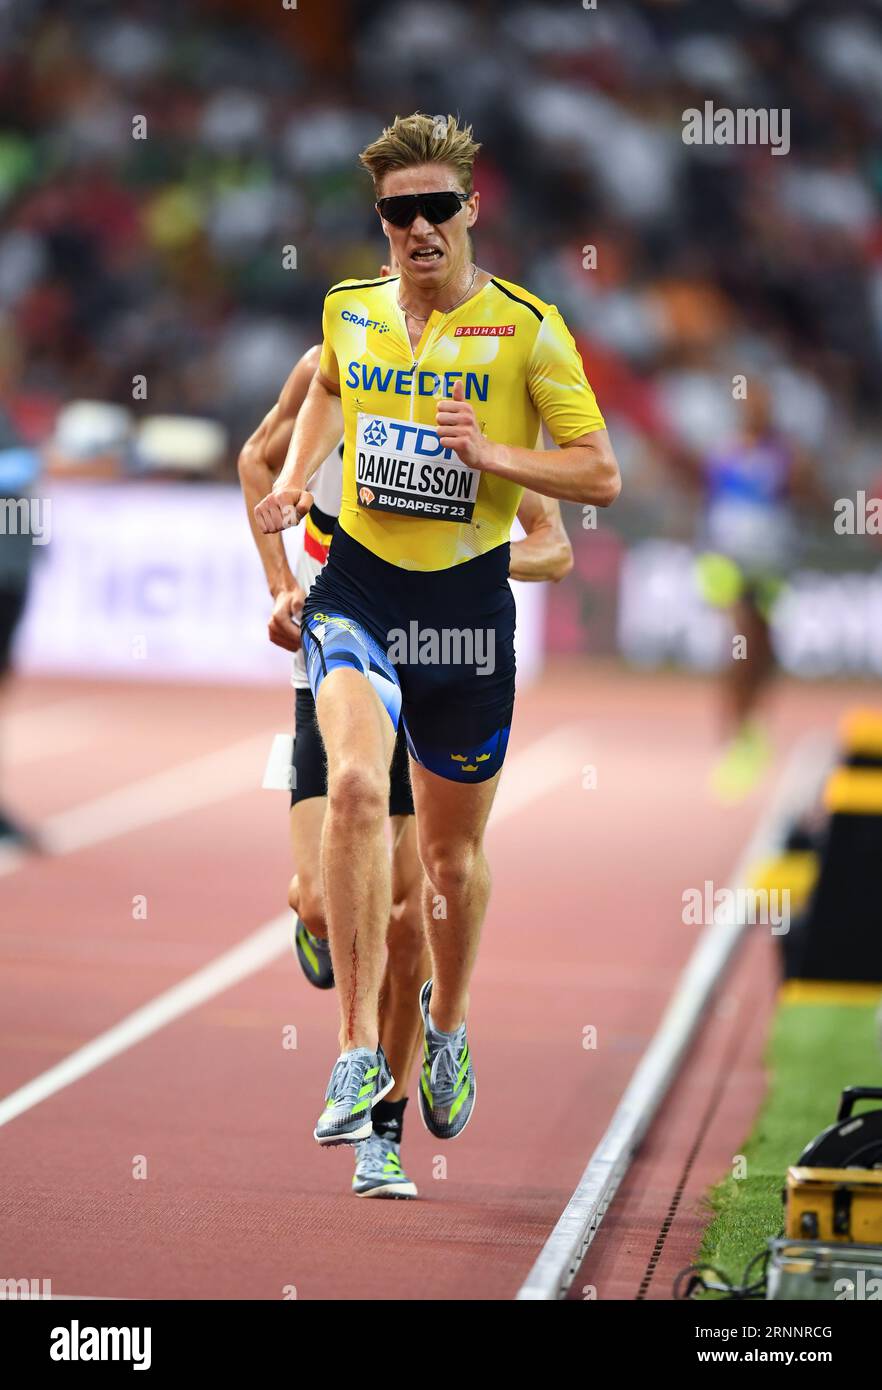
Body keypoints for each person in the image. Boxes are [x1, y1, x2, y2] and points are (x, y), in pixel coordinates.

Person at [254, 112, 619, 1149]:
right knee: (359, 788)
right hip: (360, 593)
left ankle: (447, 1025)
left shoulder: (529, 329)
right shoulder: (349, 309)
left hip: (465, 620)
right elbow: (327, 384)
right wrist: (290, 484)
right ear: (382, 221)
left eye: (438, 209)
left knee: (451, 869)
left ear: (470, 213)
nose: (419, 228)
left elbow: (601, 473)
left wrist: (497, 459)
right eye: (399, 211)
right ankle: (358, 1051)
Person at [239, 329, 574, 1193]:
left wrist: (470, 570)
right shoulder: (330, 366)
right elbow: (254, 462)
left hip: (438, 658)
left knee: (410, 911)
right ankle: (315, 917)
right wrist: (281, 582)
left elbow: (556, 545)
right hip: (342, 649)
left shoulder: (484, 398)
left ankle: (383, 1123)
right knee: (321, 904)